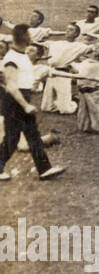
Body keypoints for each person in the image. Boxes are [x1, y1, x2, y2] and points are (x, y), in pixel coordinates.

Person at [1, 24, 66, 180]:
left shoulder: (22, 55)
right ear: (23, 36)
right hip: (15, 101)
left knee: (31, 135)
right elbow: (11, 85)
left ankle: (44, 169)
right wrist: (25, 105)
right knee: (13, 137)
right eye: (29, 35)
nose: (31, 37)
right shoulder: (12, 58)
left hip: (22, 98)